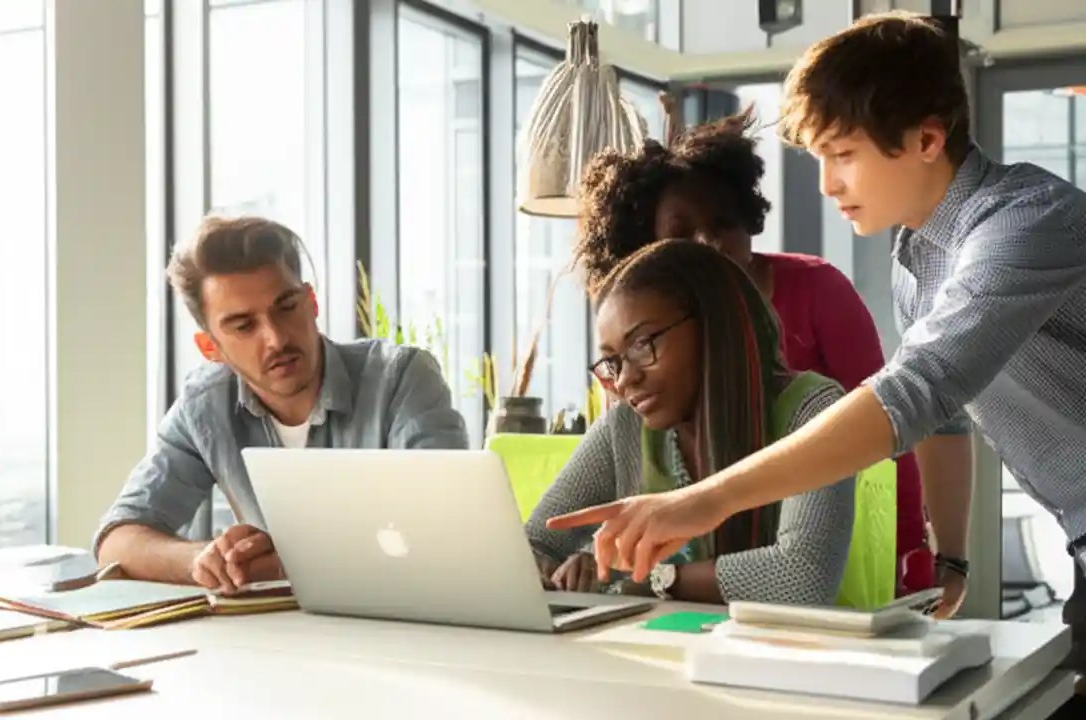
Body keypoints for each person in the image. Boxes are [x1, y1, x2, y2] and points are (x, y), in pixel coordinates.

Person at [547, 10, 1086, 635]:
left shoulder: (1025, 226)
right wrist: (953, 556)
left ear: (927, 140)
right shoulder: (917, 256)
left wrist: (700, 502)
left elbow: (914, 392)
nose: (828, 184)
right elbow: (943, 416)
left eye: (843, 155)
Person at [575, 109, 931, 594]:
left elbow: (885, 426)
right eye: (682, 234)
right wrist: (582, 564)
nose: (708, 243)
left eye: (725, 223)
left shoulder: (814, 312)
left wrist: (913, 558)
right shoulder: (640, 405)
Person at [96, 215, 469, 593]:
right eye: (244, 326)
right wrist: (204, 561)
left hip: (400, 628)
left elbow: (442, 532)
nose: (275, 339)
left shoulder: (401, 378)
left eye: (287, 307)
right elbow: (117, 540)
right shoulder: (205, 407)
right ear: (210, 348)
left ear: (311, 302)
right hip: (277, 637)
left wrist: (284, 564)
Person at [526, 239, 854, 605]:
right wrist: (540, 568)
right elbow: (535, 540)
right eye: (613, 361)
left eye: (642, 344)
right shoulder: (625, 428)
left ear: (713, 325)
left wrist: (652, 579)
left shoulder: (812, 411)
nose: (623, 380)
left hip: (781, 656)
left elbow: (801, 579)